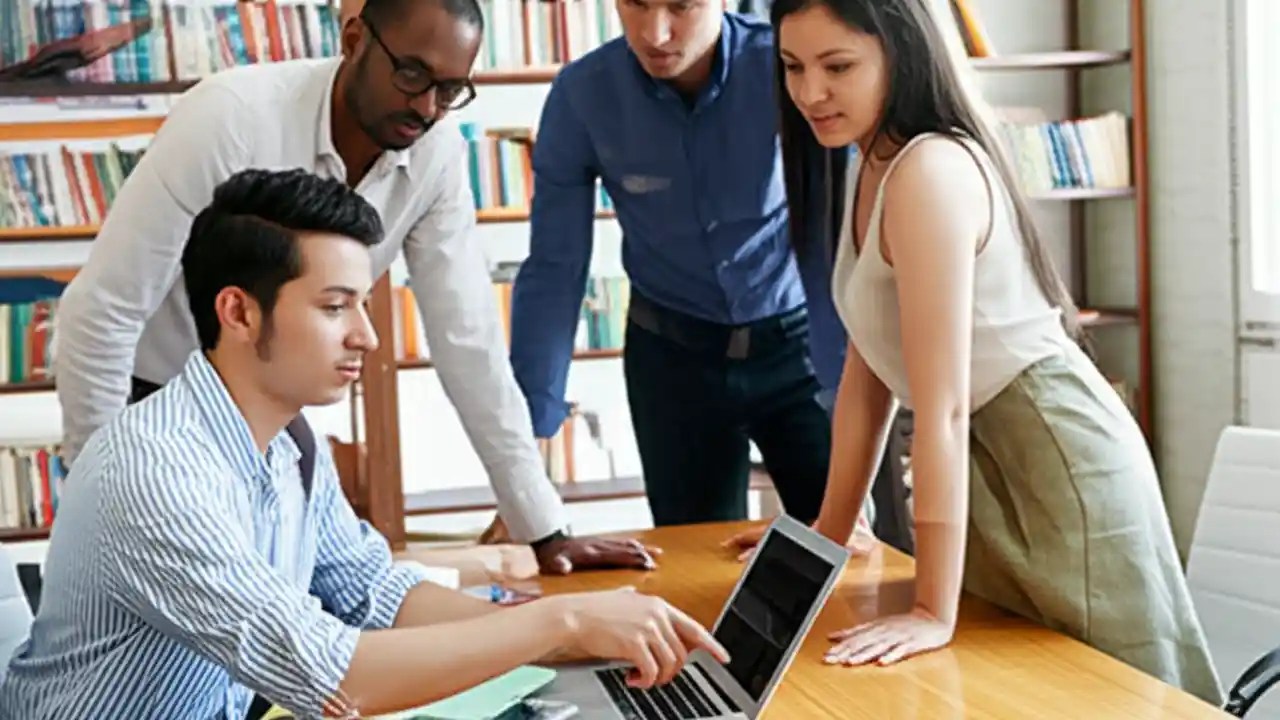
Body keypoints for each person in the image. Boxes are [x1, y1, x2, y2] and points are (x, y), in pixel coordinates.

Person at [0, 169, 728, 720]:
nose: (367, 337)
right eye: (334, 307)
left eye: (365, 305)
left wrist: (581, 636)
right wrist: (559, 619)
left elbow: (374, 593)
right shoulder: (155, 472)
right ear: (238, 313)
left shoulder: (284, 443)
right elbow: (331, 674)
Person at [729, 0, 1225, 704]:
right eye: (792, 67)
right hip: (991, 469)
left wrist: (933, 609)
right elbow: (867, 372)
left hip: (1053, 459)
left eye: (837, 66)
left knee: (1113, 697)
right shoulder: (868, 162)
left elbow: (944, 406)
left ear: (900, 55)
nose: (810, 92)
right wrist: (826, 537)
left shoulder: (930, 170)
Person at [51, 0, 654, 574]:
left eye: (450, 91)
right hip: (155, 400)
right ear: (354, 40)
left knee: (316, 596)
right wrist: (102, 499)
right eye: (413, 74)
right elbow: (100, 314)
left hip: (272, 409)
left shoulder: (436, 153)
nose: (426, 107)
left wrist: (544, 528)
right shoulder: (230, 117)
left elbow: (468, 339)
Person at [509, 0, 884, 530]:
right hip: (671, 361)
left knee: (856, 554)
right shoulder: (582, 96)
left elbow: (834, 231)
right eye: (635, 5)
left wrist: (841, 385)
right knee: (698, 570)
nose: (655, 33)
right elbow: (555, 265)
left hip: (799, 346)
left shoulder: (789, 72)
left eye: (681, 6)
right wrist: (529, 433)